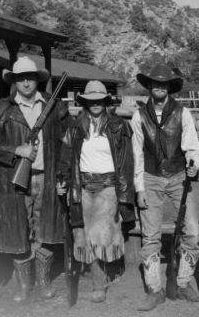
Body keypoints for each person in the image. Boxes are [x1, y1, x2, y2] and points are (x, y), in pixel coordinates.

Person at [0, 56, 73, 302]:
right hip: (14, 179)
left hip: (47, 178)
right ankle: (24, 285)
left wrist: (63, 174)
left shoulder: (53, 107)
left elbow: (68, 143)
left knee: (46, 229)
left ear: (36, 80)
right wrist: (16, 151)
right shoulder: (2, 108)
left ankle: (43, 281)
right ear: (14, 81)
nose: (25, 83)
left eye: (29, 78)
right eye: (20, 78)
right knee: (18, 231)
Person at [132, 64, 199, 311]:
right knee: (150, 235)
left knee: (192, 231)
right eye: (155, 82)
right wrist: (139, 187)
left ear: (169, 87)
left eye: (164, 83)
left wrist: (194, 164)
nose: (159, 86)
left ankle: (183, 282)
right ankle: (154, 289)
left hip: (178, 177)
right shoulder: (138, 116)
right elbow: (137, 155)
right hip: (150, 178)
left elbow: (192, 147)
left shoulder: (182, 113)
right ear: (150, 86)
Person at [67, 80, 135, 303]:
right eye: (91, 100)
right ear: (85, 102)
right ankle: (99, 279)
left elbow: (126, 161)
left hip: (109, 186)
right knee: (84, 234)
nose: (95, 104)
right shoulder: (76, 127)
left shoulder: (118, 126)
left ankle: (100, 279)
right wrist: (62, 180)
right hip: (83, 185)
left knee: (100, 232)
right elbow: (66, 157)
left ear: (105, 101)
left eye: (99, 100)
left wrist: (125, 193)